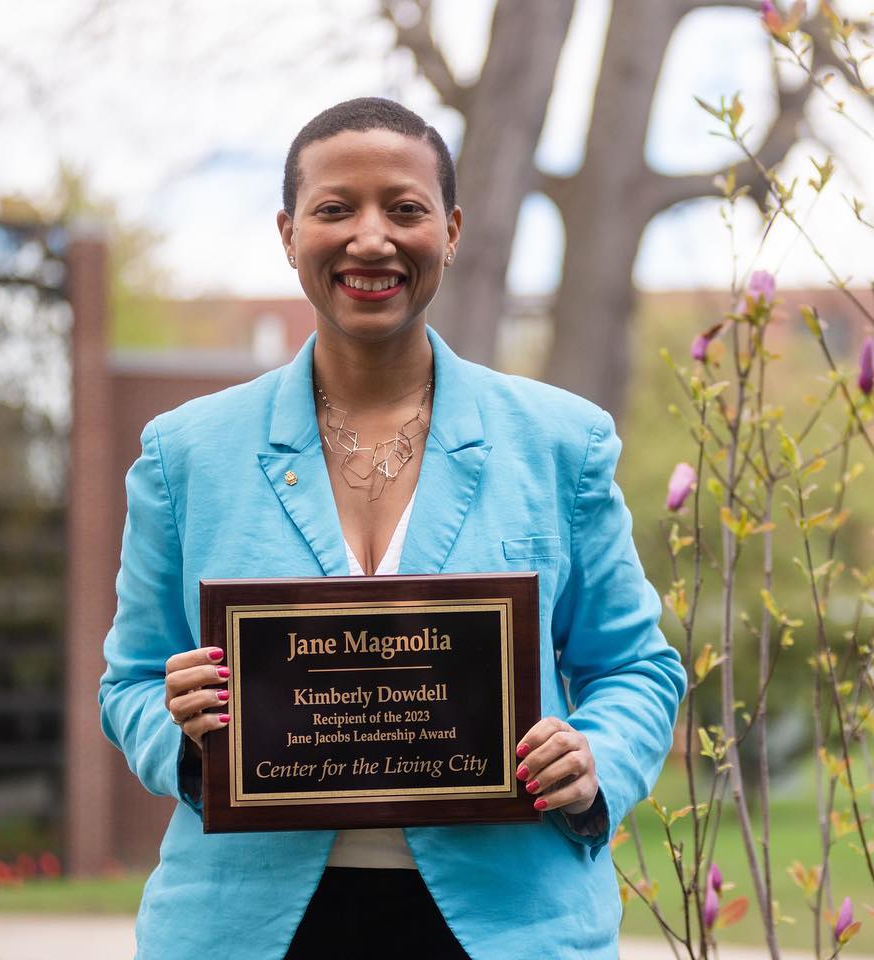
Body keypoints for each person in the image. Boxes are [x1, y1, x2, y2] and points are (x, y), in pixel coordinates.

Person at [98, 97, 687, 959]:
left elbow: (637, 667)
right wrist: (182, 737)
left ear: (450, 231)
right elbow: (130, 684)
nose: (370, 239)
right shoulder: (184, 455)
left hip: (506, 923)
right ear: (288, 232)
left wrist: (596, 757)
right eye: (335, 208)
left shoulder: (562, 443)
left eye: (404, 209)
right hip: (249, 928)